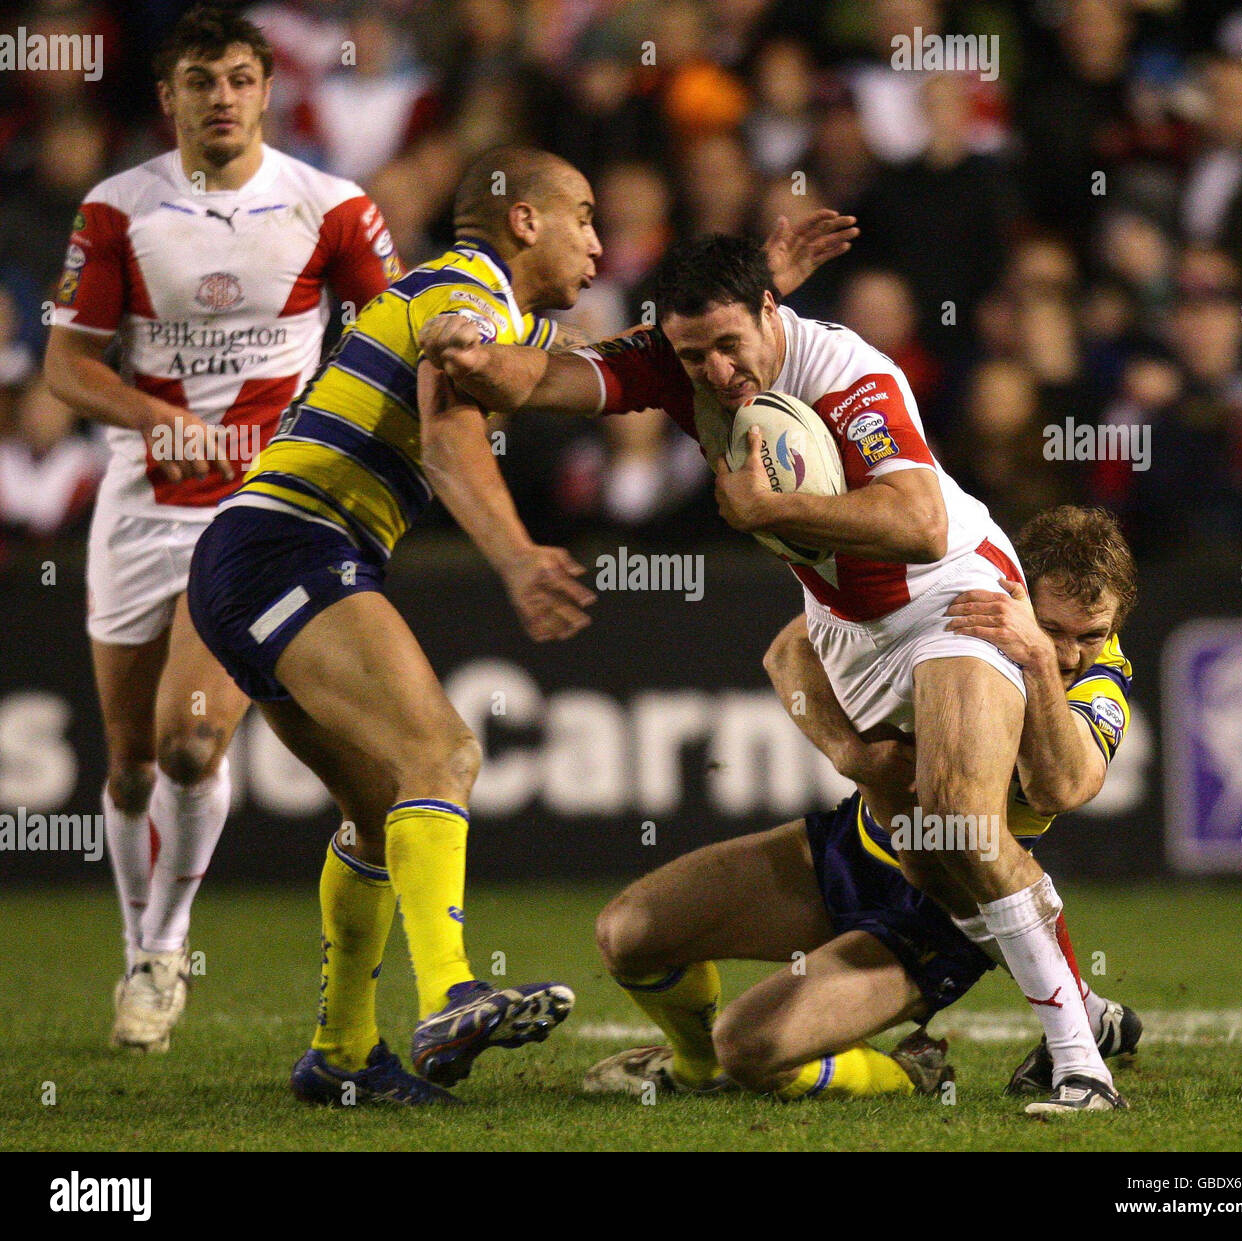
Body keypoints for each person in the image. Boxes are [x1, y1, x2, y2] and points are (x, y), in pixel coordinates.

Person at [186, 145, 855, 1105]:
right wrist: (514, 556)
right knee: (443, 755)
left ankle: (340, 1054)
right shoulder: (470, 289)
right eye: (583, 216)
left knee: (380, 810)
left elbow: (605, 361)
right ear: (524, 222)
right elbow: (452, 418)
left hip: (256, 552)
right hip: (289, 546)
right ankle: (450, 990)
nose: (598, 239)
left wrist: (758, 292)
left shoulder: (478, 302)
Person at [422, 235, 1126, 1112]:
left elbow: (915, 520)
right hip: (851, 635)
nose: (716, 373)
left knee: (953, 810)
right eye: (692, 354)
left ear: (771, 313)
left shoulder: (848, 372)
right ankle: (691, 1067)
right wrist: (463, 338)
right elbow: (531, 379)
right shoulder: (677, 364)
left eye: (730, 345)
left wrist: (767, 508)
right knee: (631, 934)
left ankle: (1079, 1064)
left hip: (951, 590)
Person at [42, 4, 402, 1054]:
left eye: (241, 78)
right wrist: (155, 416)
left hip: (256, 513)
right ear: (170, 99)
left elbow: (386, 344)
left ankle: (165, 946)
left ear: (267, 88)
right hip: (140, 501)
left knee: (190, 742)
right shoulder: (118, 210)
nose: (224, 99)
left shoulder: (329, 206)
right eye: (202, 82)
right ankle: (137, 944)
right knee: (124, 764)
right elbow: (67, 366)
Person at [584, 506, 1142, 1105]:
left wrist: (1032, 655)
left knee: (749, 1048)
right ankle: (694, 1069)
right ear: (1015, 589)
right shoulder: (956, 597)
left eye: (1091, 635)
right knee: (628, 934)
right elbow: (790, 652)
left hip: (937, 912)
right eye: (1053, 629)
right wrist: (848, 752)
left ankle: (910, 1074)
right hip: (848, 848)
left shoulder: (1100, 679)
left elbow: (1063, 786)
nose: (1068, 654)